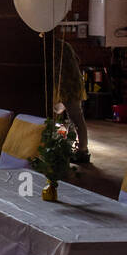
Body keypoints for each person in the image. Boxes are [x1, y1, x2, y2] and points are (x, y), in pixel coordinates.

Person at [54, 35, 90, 164]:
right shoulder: (65, 45)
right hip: (75, 84)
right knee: (76, 119)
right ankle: (80, 149)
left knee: (67, 119)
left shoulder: (50, 49)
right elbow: (78, 60)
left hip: (63, 86)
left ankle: (78, 149)